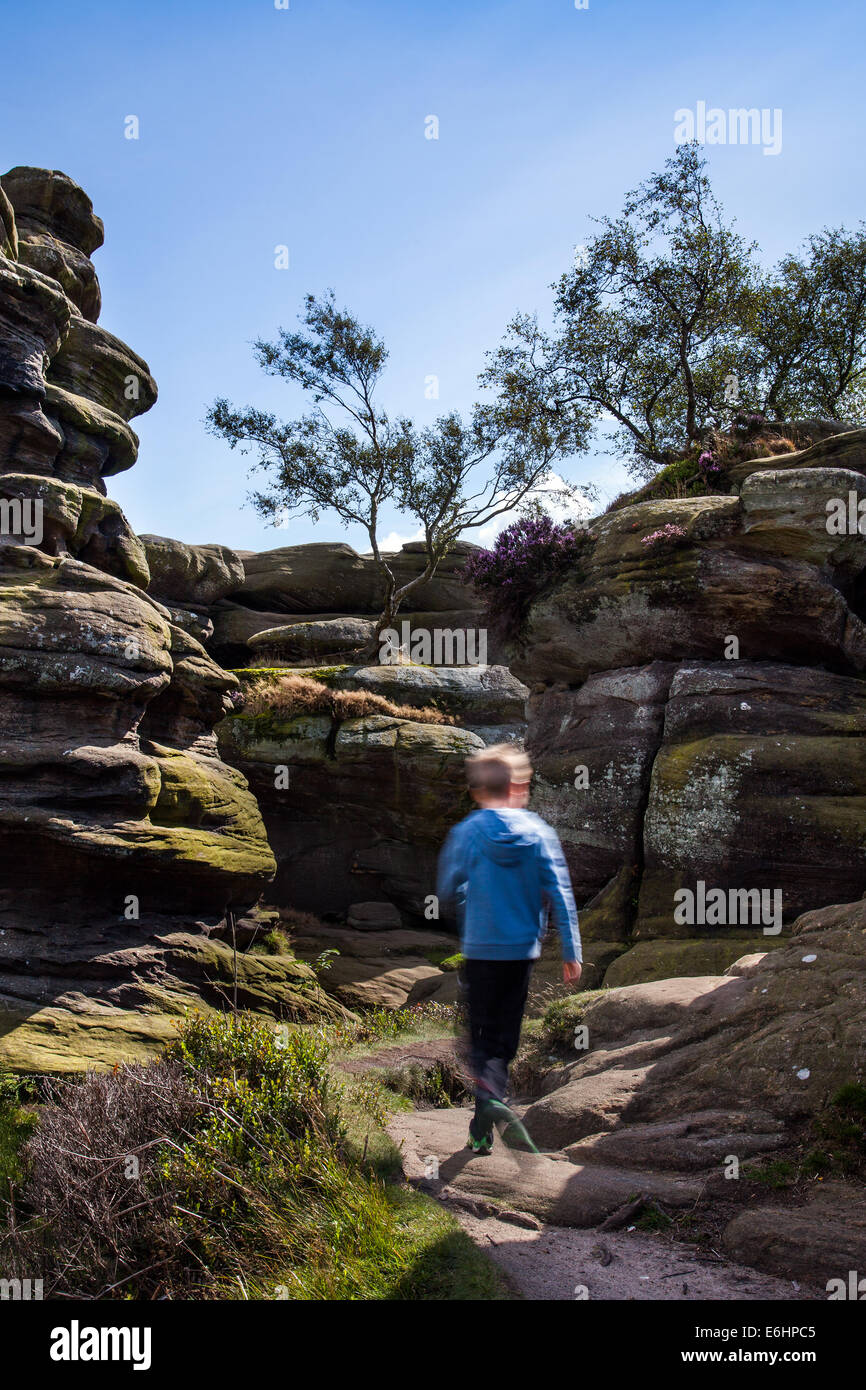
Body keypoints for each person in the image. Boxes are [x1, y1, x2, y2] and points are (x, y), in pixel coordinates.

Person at [436, 743, 582, 1154]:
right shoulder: (539, 833)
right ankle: (487, 1113)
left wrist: (472, 903)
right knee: (505, 1040)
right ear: (518, 785)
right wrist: (572, 951)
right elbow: (561, 894)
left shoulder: (467, 831)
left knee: (479, 1037)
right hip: (521, 953)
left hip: (480, 949)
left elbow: (447, 887)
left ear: (476, 790)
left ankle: (487, 1101)